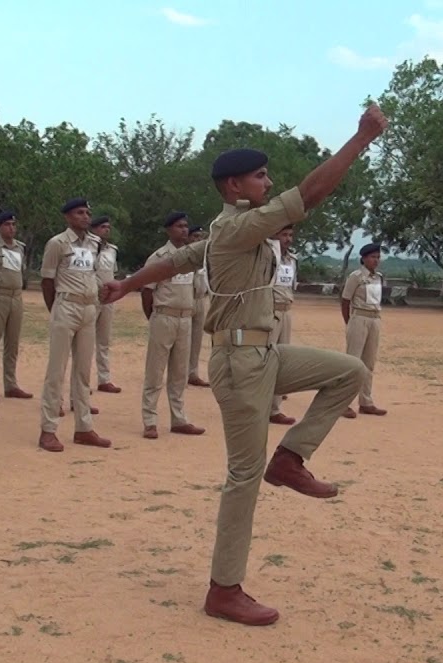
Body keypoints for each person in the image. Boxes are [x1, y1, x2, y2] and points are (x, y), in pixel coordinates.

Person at [99, 103, 386, 626]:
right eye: (260, 176)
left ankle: (290, 459)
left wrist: (126, 283)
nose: (269, 182)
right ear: (234, 186)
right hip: (239, 362)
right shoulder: (238, 229)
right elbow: (311, 194)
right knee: (243, 477)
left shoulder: (231, 232)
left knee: (350, 372)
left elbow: (177, 260)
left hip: (264, 353)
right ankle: (224, 590)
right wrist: (361, 138)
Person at [38, 198, 111, 452]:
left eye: (88, 212)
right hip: (66, 305)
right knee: (56, 371)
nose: (85, 217)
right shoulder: (57, 243)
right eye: (80, 213)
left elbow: (93, 273)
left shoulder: (94, 244)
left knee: (83, 371)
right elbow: (47, 281)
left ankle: (84, 427)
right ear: (68, 217)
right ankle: (48, 429)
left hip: (89, 308)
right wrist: (56, 309)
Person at [139, 211, 205, 439]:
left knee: (179, 373)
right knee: (155, 371)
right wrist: (154, 317)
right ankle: (150, 420)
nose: (184, 230)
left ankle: (179, 419)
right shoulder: (159, 257)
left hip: (185, 319)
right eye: (179, 226)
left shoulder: (190, 258)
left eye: (186, 226)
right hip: (164, 316)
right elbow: (147, 291)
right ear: (169, 230)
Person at [0, 210, 32, 402]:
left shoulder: (20, 248)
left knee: (12, 344)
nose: (11, 228)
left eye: (13, 224)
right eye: (7, 225)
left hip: (16, 297)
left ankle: (11, 384)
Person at [341, 242, 386, 418]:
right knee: (353, 362)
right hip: (359, 317)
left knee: (369, 362)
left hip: (375, 318)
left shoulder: (378, 277)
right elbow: (345, 300)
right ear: (364, 258)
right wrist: (349, 322)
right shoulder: (356, 277)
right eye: (373, 257)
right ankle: (343, 403)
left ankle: (366, 401)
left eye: (378, 257)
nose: (376, 260)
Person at [269, 225, 297, 425]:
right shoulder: (267, 257)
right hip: (269, 310)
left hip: (286, 310)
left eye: (290, 235)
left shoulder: (292, 260)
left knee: (282, 359)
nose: (288, 239)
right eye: (284, 234)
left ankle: (275, 408)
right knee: (265, 359)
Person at [90, 215, 121, 394]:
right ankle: (82, 381)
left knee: (104, 341)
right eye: (102, 227)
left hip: (108, 298)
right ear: (93, 229)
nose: (106, 230)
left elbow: (111, 273)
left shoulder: (112, 250)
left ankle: (104, 379)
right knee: (85, 340)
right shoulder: (87, 248)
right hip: (91, 296)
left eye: (108, 227)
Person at [188, 225, 211, 388]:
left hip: (201, 299)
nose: (198, 240)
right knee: (182, 340)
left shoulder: (205, 259)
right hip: (185, 299)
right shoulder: (183, 257)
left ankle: (192, 372)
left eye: (200, 237)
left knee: (196, 340)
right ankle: (179, 372)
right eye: (195, 236)